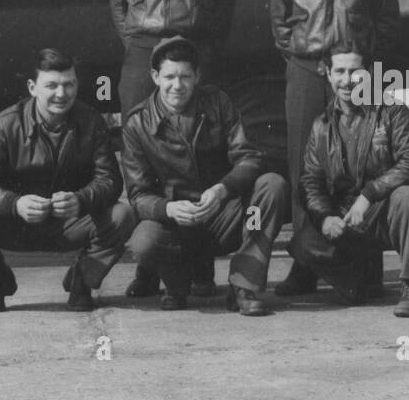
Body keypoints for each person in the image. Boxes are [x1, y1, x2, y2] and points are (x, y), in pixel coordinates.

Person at [109, 0, 235, 300]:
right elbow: (119, 3)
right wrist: (144, 50)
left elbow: (225, 5)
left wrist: (198, 56)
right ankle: (149, 265)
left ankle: (199, 265)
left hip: (194, 50)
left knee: (196, 155)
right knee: (142, 159)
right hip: (145, 55)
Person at [270, 0, 400, 296]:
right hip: (308, 74)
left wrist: (357, 61)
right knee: (304, 167)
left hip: (358, 72)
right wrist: (314, 59)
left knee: (364, 163)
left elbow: (387, 20)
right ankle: (305, 265)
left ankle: (365, 266)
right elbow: (280, 26)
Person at [0, 48, 134, 313]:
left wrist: (80, 200)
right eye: (51, 85)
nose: (61, 94)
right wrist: (15, 203)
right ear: (32, 87)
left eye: (69, 84)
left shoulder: (91, 122)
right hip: (16, 223)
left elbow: (110, 181)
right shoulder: (6, 124)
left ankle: (82, 281)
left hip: (69, 223)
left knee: (123, 214)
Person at [122, 38, 288, 316]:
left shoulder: (218, 103)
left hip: (224, 216)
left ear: (197, 76)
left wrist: (222, 189)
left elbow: (249, 157)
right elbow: (138, 196)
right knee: (143, 242)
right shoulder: (137, 123)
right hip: (176, 226)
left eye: (186, 76)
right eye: (169, 77)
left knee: (272, 186)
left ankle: (243, 286)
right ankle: (176, 284)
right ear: (154, 77)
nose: (177, 85)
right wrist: (169, 208)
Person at [289, 42, 409, 318]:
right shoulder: (321, 126)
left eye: (355, 71)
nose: (346, 80)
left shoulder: (392, 112)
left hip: (383, 211)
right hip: (347, 219)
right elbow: (311, 182)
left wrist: (370, 193)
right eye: (339, 71)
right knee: (304, 243)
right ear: (327, 74)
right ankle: (360, 278)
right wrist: (325, 217)